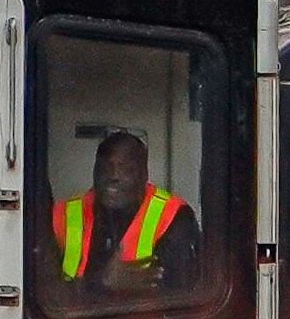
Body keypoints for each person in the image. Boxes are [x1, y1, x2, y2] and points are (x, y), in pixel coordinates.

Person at [54, 127, 201, 297]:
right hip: (73, 314)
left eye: (126, 169)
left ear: (145, 175)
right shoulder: (63, 214)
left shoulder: (173, 216)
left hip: (139, 315)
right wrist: (102, 283)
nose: (113, 176)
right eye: (104, 167)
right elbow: (44, 291)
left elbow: (182, 296)